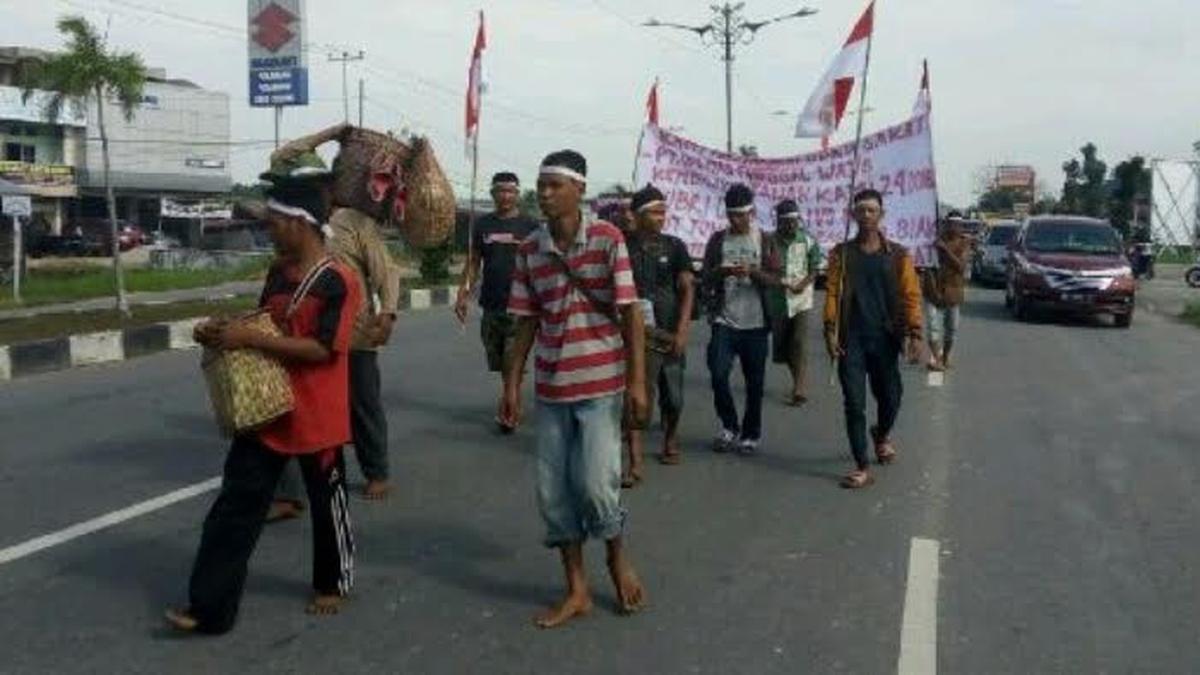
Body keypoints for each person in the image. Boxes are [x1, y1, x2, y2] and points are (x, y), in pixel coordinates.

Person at [166, 179, 362, 634]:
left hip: (317, 414)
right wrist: (223, 331)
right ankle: (210, 609)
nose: (268, 231)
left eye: (273, 222)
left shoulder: (340, 281)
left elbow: (324, 349)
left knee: (328, 503)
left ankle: (332, 581)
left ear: (298, 223)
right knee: (235, 507)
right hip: (267, 407)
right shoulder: (278, 273)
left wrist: (249, 337)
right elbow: (264, 323)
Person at [500, 150, 648, 629]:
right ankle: (576, 589)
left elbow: (629, 312)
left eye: (554, 185)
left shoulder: (608, 239)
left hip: (602, 382)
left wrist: (638, 382)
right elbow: (525, 321)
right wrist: (511, 382)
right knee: (553, 494)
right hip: (551, 386)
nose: (544, 193)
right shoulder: (530, 250)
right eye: (540, 185)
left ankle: (615, 558)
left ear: (579, 190)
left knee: (595, 484)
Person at [823, 189, 923, 490]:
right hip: (850, 339)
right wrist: (829, 330)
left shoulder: (898, 255)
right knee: (854, 403)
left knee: (891, 397)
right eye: (861, 210)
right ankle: (862, 465)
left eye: (871, 210)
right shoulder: (841, 254)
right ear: (853, 215)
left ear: (881, 215)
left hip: (885, 338)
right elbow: (832, 294)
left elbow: (910, 295)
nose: (866, 216)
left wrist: (915, 333)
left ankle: (881, 434)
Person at [454, 172, 540, 433]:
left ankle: (509, 405)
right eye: (500, 191)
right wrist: (463, 292)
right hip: (491, 303)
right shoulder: (483, 225)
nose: (505, 196)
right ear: (493, 194)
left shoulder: (531, 226)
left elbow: (541, 263)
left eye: (510, 191)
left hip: (521, 304)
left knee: (513, 358)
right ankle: (510, 396)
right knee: (500, 359)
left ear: (517, 194)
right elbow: (474, 262)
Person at [700, 183, 781, 455]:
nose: (735, 220)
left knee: (754, 383)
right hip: (725, 320)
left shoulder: (766, 240)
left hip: (756, 325)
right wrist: (721, 272)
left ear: (752, 212)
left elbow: (776, 280)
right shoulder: (718, 240)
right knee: (718, 373)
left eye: (740, 215)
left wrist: (754, 273)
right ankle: (729, 425)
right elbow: (705, 276)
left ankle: (750, 434)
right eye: (731, 215)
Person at [623, 183, 694, 484]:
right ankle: (635, 462)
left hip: (669, 332)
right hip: (638, 336)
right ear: (638, 215)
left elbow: (688, 289)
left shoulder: (675, 247)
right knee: (639, 397)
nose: (661, 217)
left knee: (674, 398)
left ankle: (670, 437)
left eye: (664, 211)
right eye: (654, 211)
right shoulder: (623, 246)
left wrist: (682, 332)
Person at [769, 199, 823, 406]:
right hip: (778, 300)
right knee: (784, 347)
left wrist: (804, 283)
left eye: (794, 221)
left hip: (801, 299)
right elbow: (764, 267)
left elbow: (814, 268)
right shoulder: (770, 242)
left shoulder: (808, 241)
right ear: (779, 222)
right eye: (787, 222)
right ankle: (797, 380)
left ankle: (800, 386)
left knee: (799, 341)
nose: (791, 225)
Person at [923, 214, 970, 372]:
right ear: (945, 224)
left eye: (957, 225)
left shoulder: (963, 243)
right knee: (933, 326)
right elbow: (925, 264)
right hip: (932, 289)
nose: (953, 228)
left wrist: (945, 250)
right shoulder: (933, 241)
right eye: (950, 224)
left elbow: (961, 267)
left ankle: (946, 355)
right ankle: (936, 358)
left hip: (953, 291)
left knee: (951, 328)